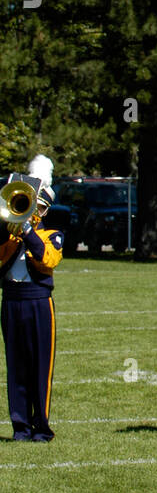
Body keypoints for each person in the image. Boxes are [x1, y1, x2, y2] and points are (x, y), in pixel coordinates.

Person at [0, 155, 64, 442]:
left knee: (40, 365)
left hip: (39, 301)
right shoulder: (8, 235)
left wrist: (28, 232)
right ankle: (20, 427)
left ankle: (41, 427)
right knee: (16, 365)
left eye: (35, 205)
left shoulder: (51, 234)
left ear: (44, 209)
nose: (30, 209)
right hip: (11, 299)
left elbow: (47, 261)